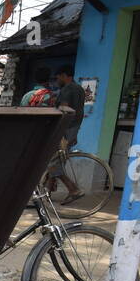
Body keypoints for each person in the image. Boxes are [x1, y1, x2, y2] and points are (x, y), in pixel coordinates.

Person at [48, 66, 87, 203]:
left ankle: (73, 189)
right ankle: (48, 192)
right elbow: (80, 112)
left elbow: (64, 110)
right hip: (72, 129)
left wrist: (58, 130)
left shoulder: (67, 89)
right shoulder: (80, 89)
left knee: (52, 163)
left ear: (64, 75)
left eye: (58, 77)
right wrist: (75, 133)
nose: (57, 80)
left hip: (64, 130)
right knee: (58, 159)